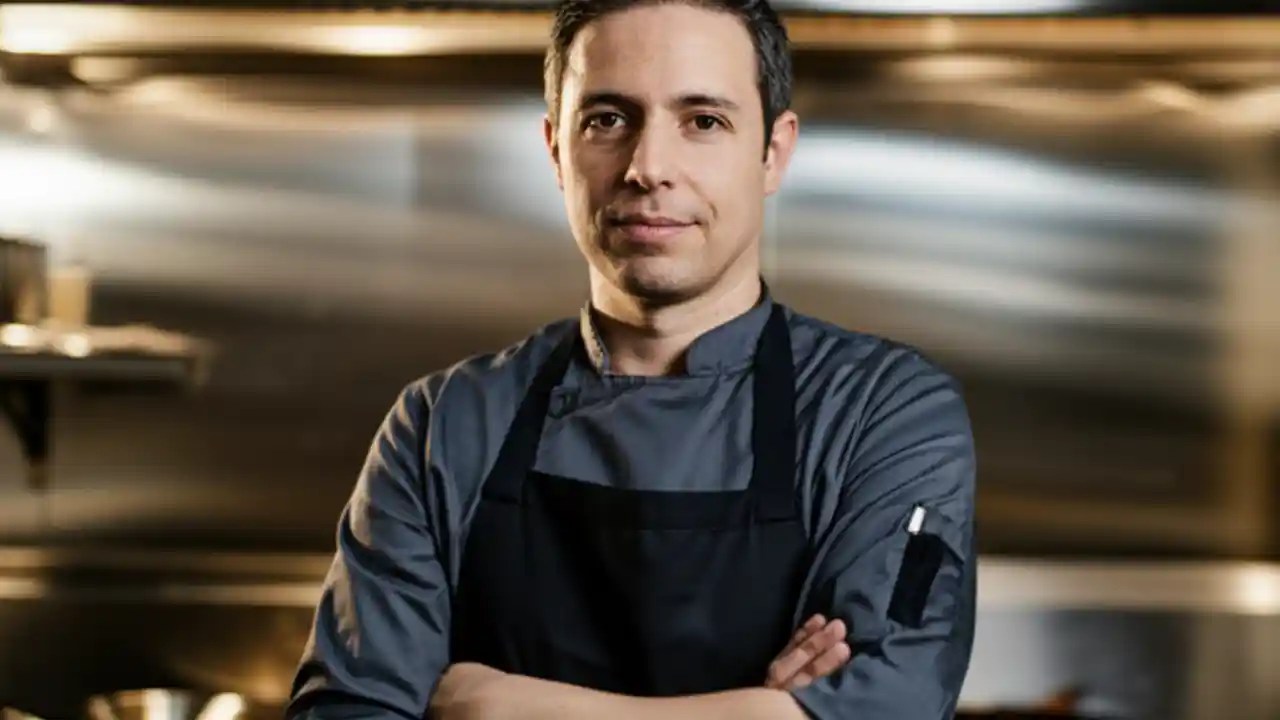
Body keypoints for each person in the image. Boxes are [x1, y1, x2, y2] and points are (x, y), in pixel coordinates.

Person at [286, 0, 977, 717]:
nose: (648, 168)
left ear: (773, 152)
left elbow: (890, 702)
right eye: (608, 119)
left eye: (702, 121)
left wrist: (496, 705)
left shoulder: (886, 414)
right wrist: (759, 710)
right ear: (556, 150)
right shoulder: (443, 425)